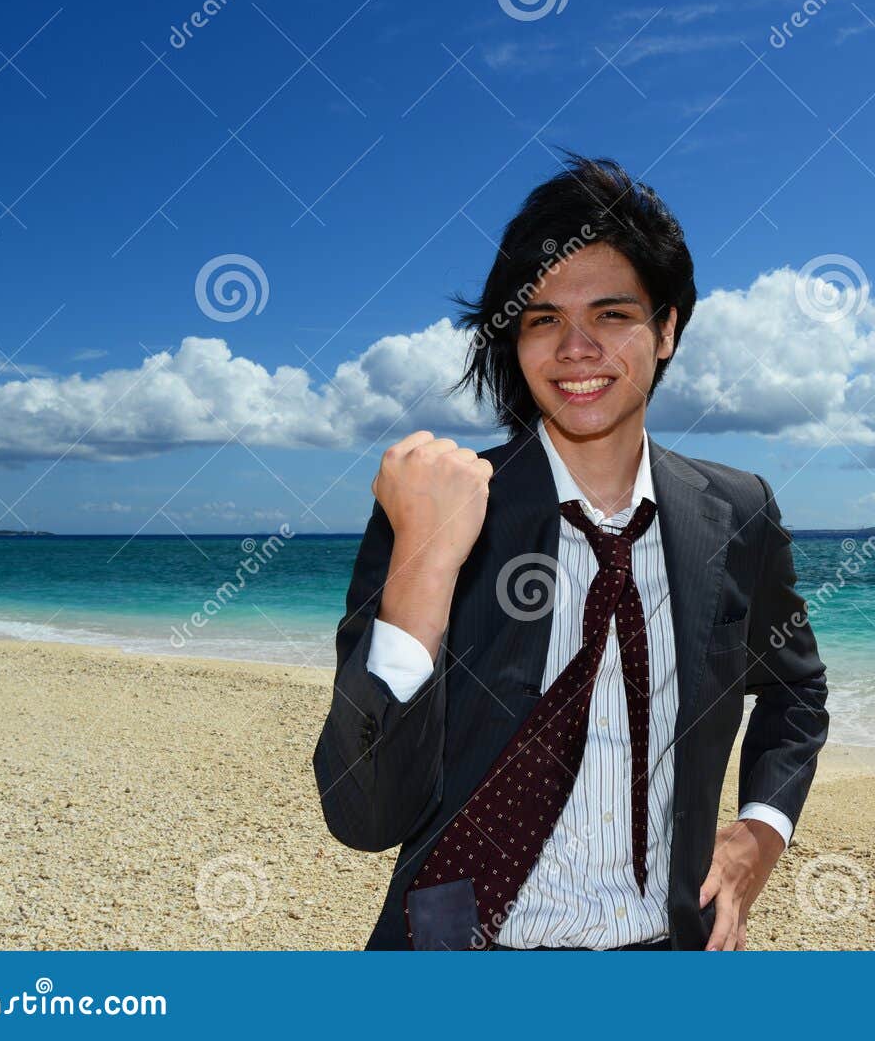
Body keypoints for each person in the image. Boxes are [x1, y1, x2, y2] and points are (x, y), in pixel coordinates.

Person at [311, 153, 829, 950]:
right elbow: (364, 814)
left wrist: (761, 830)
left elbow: (796, 695)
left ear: (666, 330)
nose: (575, 347)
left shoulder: (738, 512)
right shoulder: (439, 508)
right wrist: (424, 562)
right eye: (543, 318)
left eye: (612, 315)